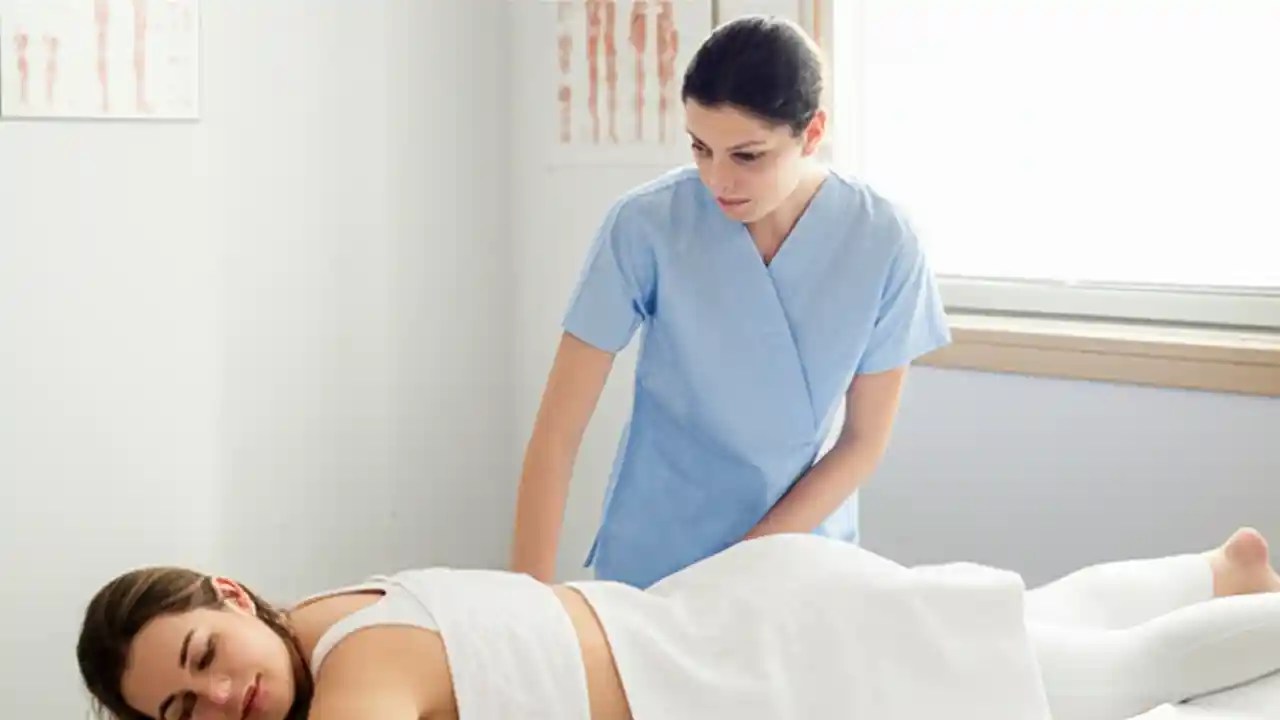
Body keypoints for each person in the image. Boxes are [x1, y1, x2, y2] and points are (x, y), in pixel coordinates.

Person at [510, 14, 953, 590]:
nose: (718, 180)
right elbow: (556, 435)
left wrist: (741, 568)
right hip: (656, 555)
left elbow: (861, 443)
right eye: (701, 149)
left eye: (747, 155)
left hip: (798, 555)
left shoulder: (883, 240)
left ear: (812, 134)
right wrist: (526, 608)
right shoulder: (646, 225)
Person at [78, 527, 1280, 720]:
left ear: (229, 598)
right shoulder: (336, 603)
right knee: (1020, 621)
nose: (219, 699)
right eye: (180, 715)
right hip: (739, 606)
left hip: (755, 663)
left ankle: (1211, 610)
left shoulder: (354, 681)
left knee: (1093, 685)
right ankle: (1202, 569)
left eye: (201, 660)